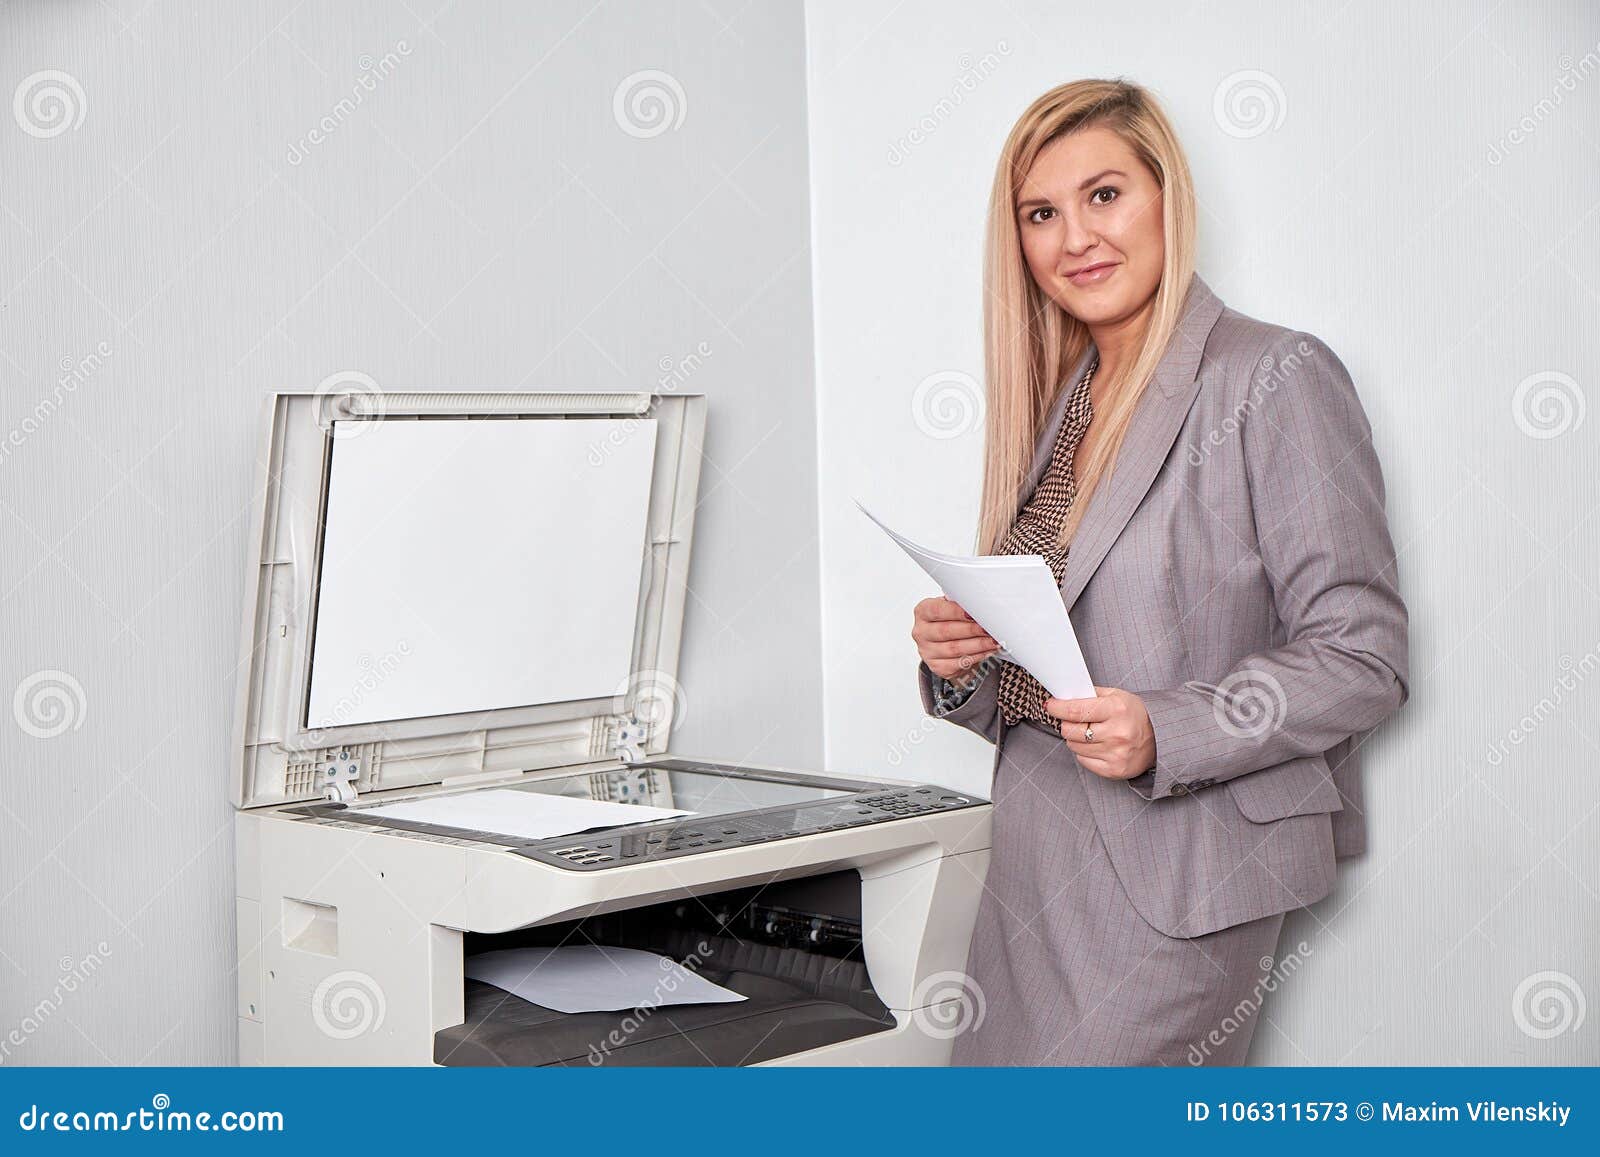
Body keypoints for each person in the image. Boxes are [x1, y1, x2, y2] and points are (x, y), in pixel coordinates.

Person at [911, 78, 1409, 1065]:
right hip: (1033, 872)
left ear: (1167, 199)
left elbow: (1364, 655)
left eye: (1104, 195)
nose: (1073, 239)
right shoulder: (1064, 399)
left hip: (1178, 882)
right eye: (1040, 213)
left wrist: (1167, 729)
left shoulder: (1274, 373)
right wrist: (963, 657)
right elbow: (1050, 667)